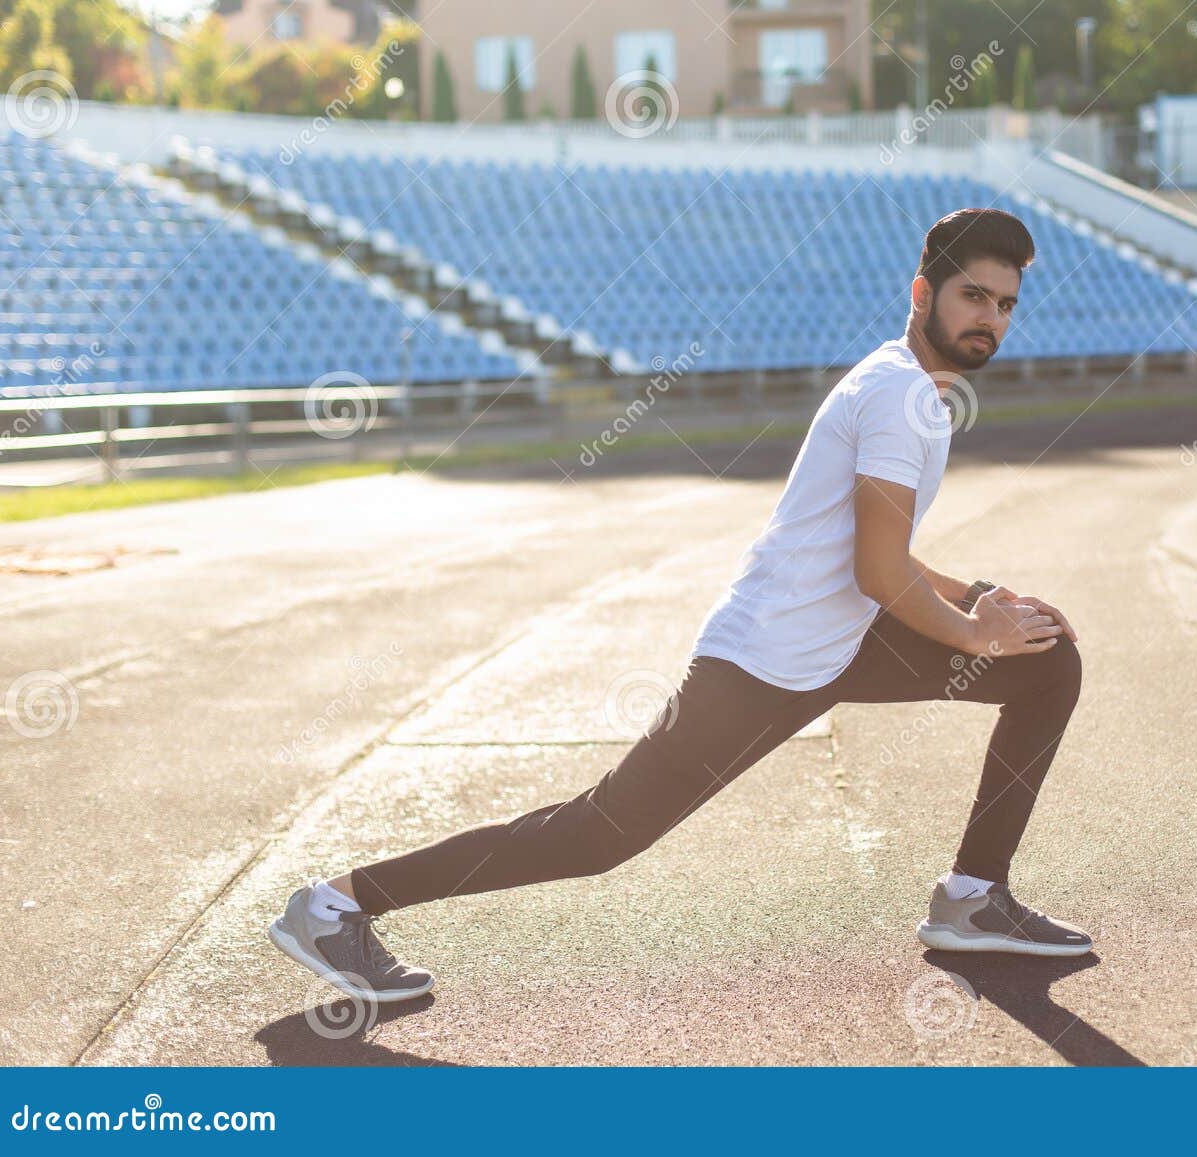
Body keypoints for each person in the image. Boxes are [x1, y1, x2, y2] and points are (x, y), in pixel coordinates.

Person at [268, 207, 1089, 1004]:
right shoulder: (894, 396)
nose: (990, 318)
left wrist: (972, 597)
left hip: (839, 643)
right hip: (764, 659)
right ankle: (335, 904)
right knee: (600, 835)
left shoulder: (913, 390)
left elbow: (876, 552)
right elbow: (878, 571)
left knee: (1046, 657)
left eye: (1005, 303)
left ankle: (974, 895)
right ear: (923, 295)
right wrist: (975, 625)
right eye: (973, 296)